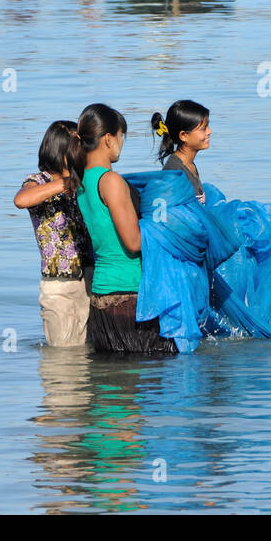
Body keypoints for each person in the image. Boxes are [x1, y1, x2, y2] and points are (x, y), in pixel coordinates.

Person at [71, 103, 177, 355]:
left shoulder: (82, 181)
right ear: (108, 139)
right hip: (129, 296)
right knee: (144, 379)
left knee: (112, 387)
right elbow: (133, 242)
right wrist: (167, 230)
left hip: (101, 298)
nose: (122, 143)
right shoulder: (111, 181)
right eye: (121, 137)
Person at [13, 121, 94, 346]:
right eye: (78, 147)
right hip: (59, 285)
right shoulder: (37, 181)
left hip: (92, 278)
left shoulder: (86, 180)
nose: (83, 151)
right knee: (63, 364)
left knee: (92, 355)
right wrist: (64, 184)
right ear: (61, 150)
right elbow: (21, 200)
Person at [151, 101, 211, 204]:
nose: (209, 132)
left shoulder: (189, 164)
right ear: (183, 135)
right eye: (203, 128)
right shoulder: (175, 172)